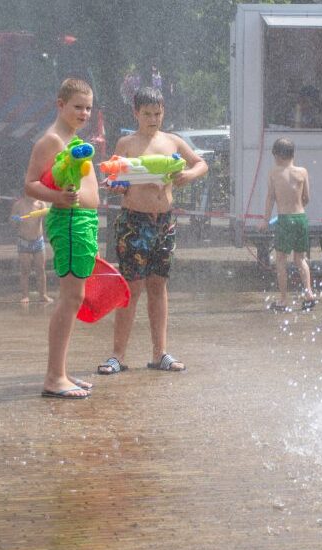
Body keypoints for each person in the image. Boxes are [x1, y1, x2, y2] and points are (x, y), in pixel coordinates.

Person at [96, 86, 207, 376]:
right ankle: (117, 355)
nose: (153, 119)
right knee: (132, 287)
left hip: (165, 222)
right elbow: (112, 177)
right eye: (147, 114)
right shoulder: (127, 143)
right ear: (136, 113)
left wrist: (188, 175)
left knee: (158, 285)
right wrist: (115, 184)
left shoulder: (172, 141)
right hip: (135, 221)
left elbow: (201, 164)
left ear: (163, 111)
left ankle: (160, 353)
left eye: (157, 113)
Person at [24, 78, 100, 399]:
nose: (84, 113)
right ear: (60, 105)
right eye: (78, 107)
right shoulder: (51, 140)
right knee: (70, 299)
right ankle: (54, 377)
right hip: (68, 221)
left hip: (83, 222)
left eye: (88, 108)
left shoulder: (74, 138)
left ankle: (62, 373)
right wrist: (59, 199)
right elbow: (29, 185)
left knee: (74, 298)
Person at [260, 137, 317, 312]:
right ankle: (309, 294)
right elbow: (307, 198)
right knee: (300, 259)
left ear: (277, 155)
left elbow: (271, 197)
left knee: (281, 260)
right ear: (293, 154)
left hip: (284, 219)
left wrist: (265, 220)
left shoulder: (274, 173)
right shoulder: (302, 172)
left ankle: (283, 300)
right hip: (300, 218)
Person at [10, 195, 52, 304]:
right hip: (24, 241)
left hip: (38, 241)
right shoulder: (18, 205)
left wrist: (46, 214)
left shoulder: (41, 204)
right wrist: (16, 219)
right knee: (25, 270)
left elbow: (48, 221)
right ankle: (25, 296)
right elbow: (12, 222)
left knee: (41, 269)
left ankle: (43, 294)